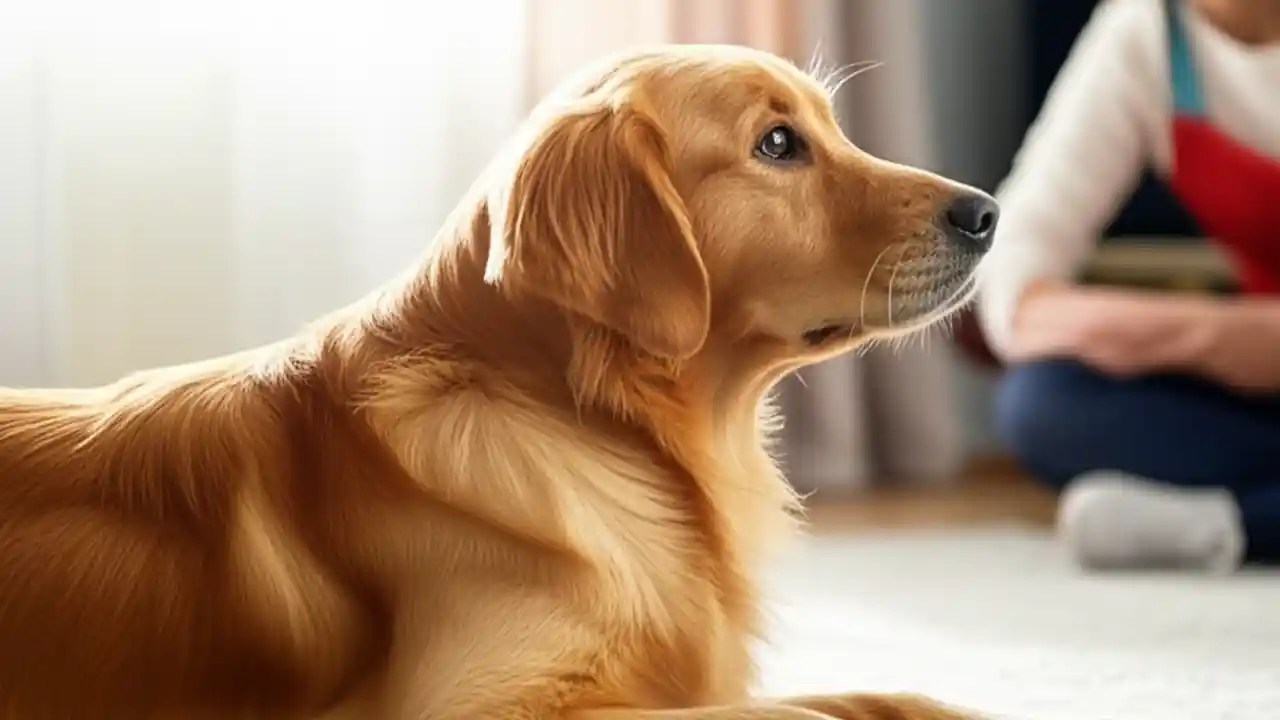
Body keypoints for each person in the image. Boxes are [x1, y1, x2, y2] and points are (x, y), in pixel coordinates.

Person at [979, 0, 1280, 572]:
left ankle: (1235, 524)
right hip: (1259, 370)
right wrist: (1215, 337)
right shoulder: (1147, 33)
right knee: (1045, 404)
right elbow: (1011, 277)